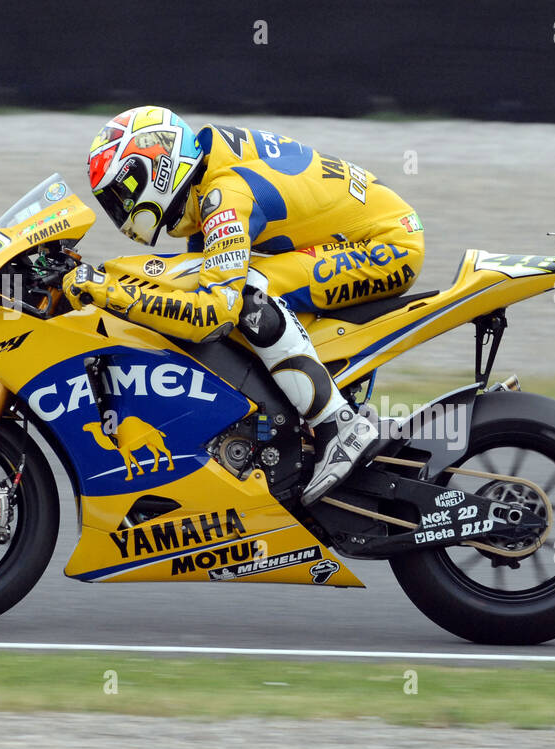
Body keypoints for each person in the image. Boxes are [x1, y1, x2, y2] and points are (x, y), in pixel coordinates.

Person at [62, 106, 426, 503]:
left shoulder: (225, 195)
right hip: (359, 234)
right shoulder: (207, 179)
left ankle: (337, 425)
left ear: (157, 169)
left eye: (124, 190)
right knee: (220, 287)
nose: (122, 207)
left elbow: (211, 315)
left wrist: (110, 292)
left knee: (249, 292)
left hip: (386, 247)